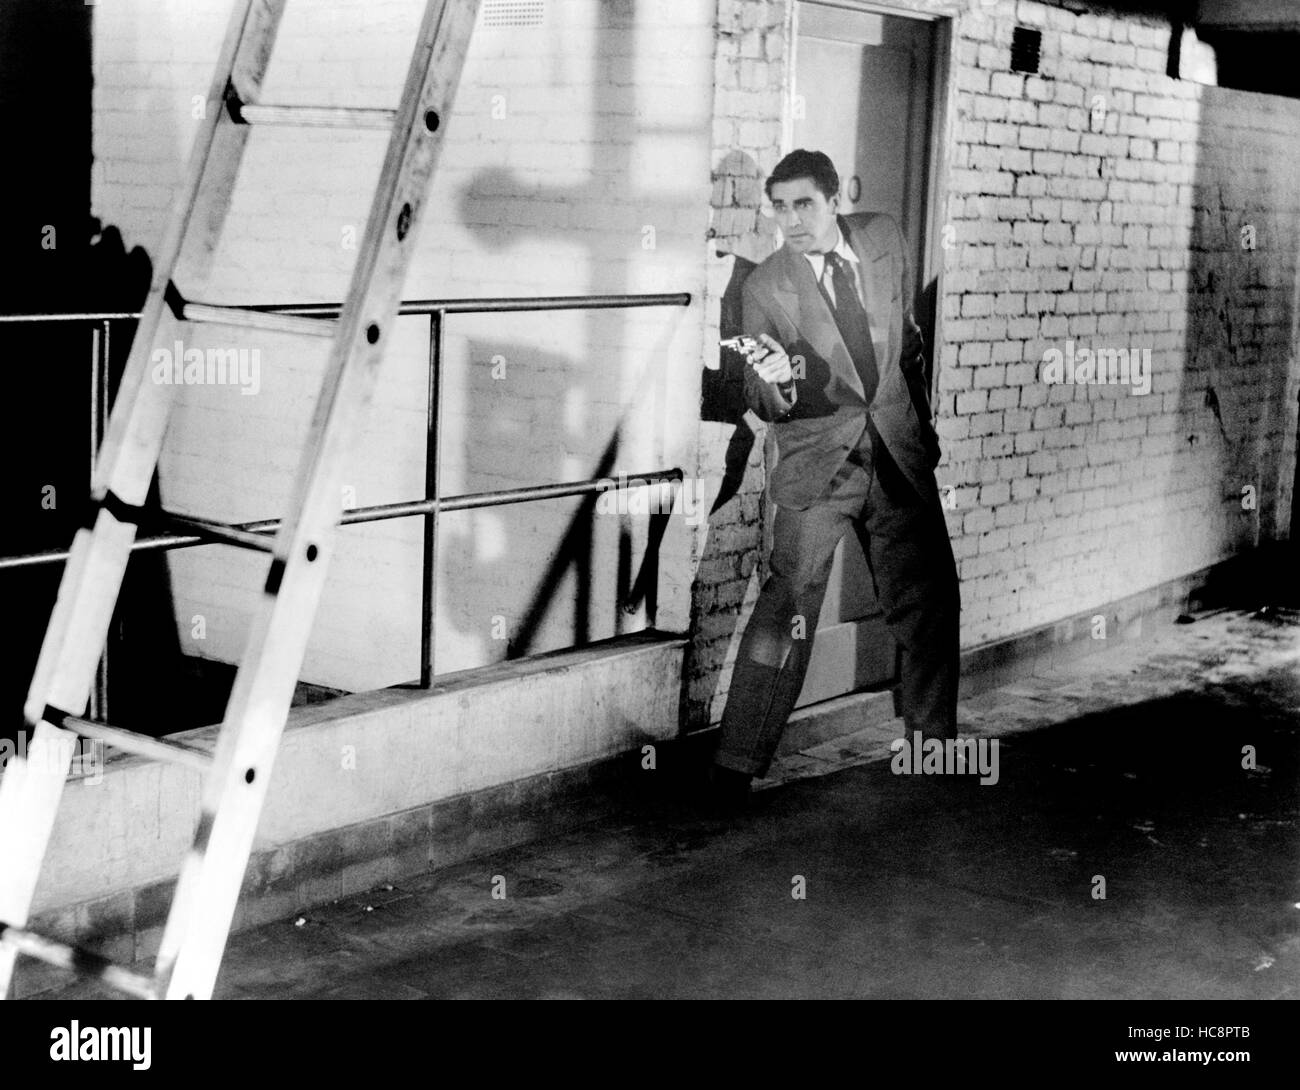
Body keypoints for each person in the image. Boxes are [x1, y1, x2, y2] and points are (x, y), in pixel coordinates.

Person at [709, 148, 960, 809]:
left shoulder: (883, 236)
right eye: (779, 207)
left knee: (929, 602)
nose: (790, 220)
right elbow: (767, 402)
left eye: (803, 205)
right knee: (784, 606)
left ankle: (932, 747)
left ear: (833, 201)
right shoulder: (765, 287)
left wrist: (921, 427)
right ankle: (736, 764)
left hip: (898, 452)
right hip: (821, 465)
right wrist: (777, 384)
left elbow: (907, 339)